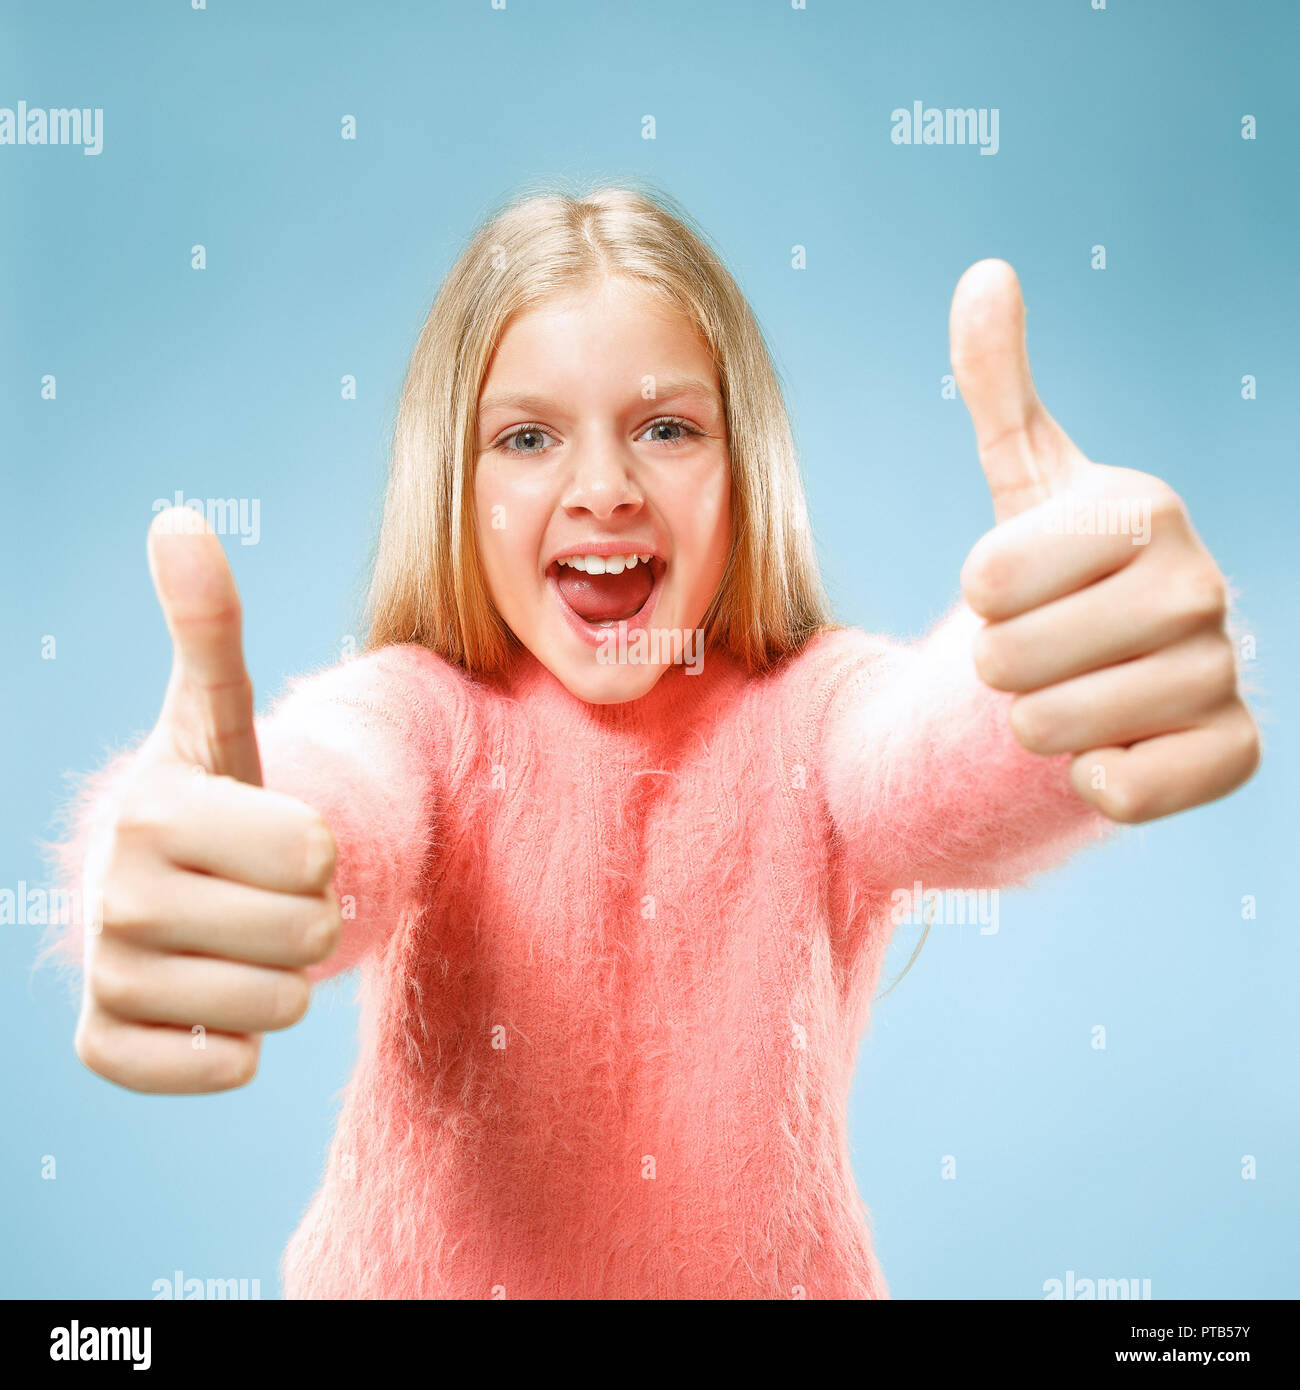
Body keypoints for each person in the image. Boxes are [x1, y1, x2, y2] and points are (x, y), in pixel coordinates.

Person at [42, 183, 1260, 1299]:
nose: (605, 488)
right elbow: (320, 793)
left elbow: (929, 748)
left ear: (747, 469)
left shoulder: (815, 711)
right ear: (454, 486)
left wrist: (1063, 666)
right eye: (527, 438)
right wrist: (188, 850)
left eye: (667, 429)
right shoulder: (419, 714)